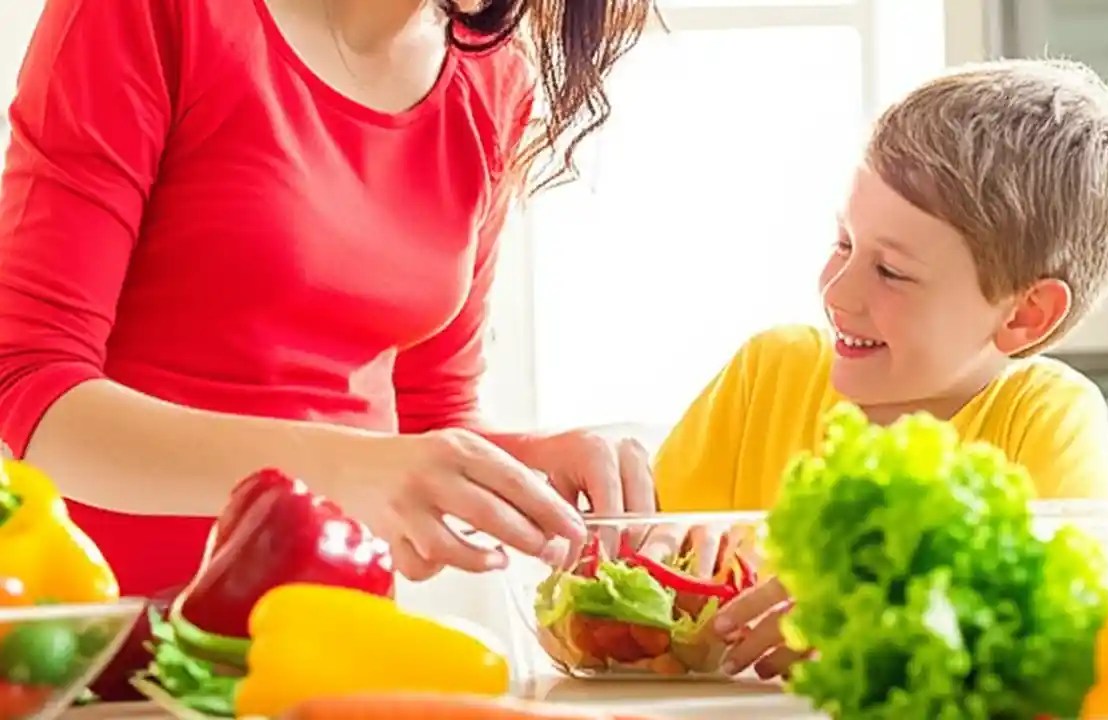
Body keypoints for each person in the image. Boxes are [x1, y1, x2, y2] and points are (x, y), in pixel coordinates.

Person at [0, 0, 656, 598]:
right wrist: (347, 471)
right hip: (95, 648)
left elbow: (430, 422)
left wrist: (537, 463)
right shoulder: (151, 13)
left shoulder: (490, 76)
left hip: (329, 642)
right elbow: (31, 387)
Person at [652, 59, 1108, 678]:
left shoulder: (1045, 417)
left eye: (891, 273)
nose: (837, 291)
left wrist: (893, 621)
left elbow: (1078, 633)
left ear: (1024, 313)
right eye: (844, 243)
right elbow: (645, 565)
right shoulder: (766, 376)